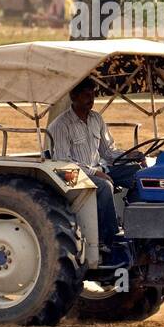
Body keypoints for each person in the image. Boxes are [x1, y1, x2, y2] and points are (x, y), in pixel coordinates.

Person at [47, 79, 125, 257]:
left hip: (99, 168)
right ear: (73, 96)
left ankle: (138, 227)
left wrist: (133, 158)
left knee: (137, 174)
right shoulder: (61, 125)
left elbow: (108, 152)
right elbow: (62, 161)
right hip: (69, 173)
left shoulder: (96, 118)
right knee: (105, 187)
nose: (91, 99)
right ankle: (110, 240)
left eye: (93, 95)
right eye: (86, 95)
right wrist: (95, 172)